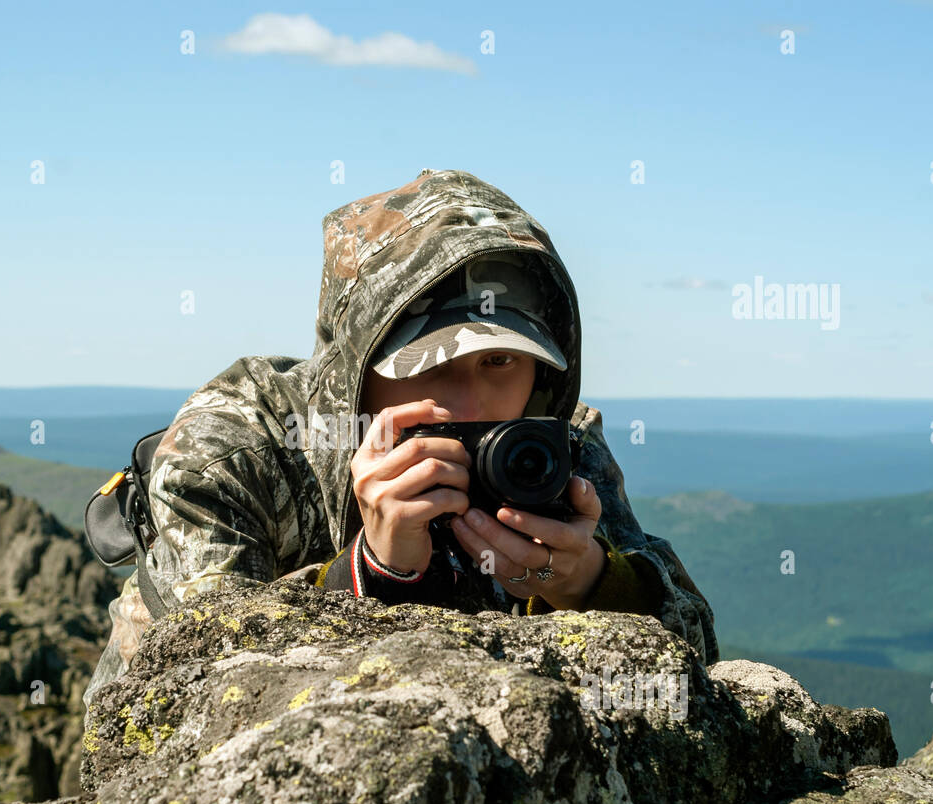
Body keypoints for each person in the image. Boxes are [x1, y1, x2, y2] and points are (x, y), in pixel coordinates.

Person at [83, 168, 718, 708]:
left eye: (501, 363)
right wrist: (370, 575)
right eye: (426, 364)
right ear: (358, 368)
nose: (468, 404)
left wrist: (588, 583)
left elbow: (696, 677)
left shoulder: (553, 449)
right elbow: (197, 702)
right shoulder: (230, 457)